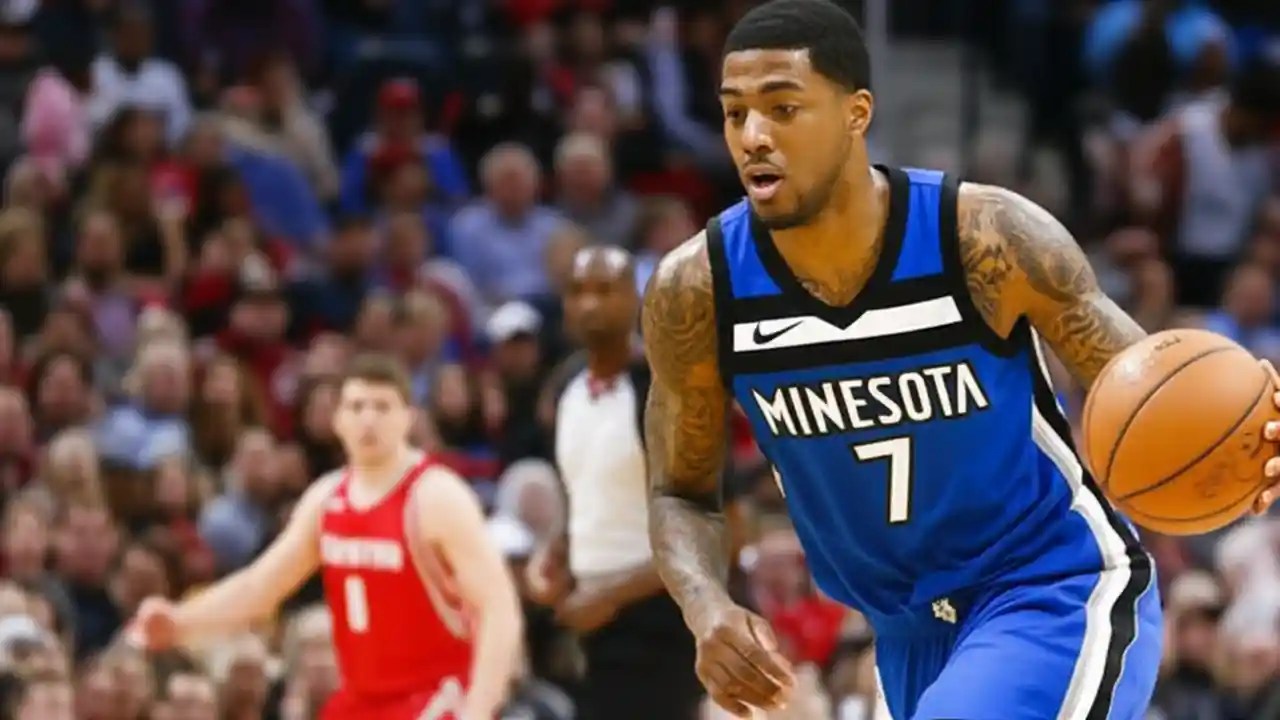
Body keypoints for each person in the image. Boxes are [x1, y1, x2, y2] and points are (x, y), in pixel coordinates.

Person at [640, 1, 1280, 719]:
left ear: (856, 114)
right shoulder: (698, 292)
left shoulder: (982, 239)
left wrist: (1234, 443)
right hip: (904, 637)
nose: (754, 136)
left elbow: (1146, 382)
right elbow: (679, 492)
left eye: (783, 108)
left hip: (1047, 590)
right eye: (734, 115)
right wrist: (706, 607)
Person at [130, 354, 523, 719]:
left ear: (407, 419)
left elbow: (499, 606)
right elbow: (260, 587)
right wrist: (181, 622)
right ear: (339, 421)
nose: (368, 420)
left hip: (435, 695)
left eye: (382, 407)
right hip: (361, 698)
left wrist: (480, 707)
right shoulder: (326, 499)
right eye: (357, 407)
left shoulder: (436, 496)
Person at [530, 246, 703, 719]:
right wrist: (558, 551)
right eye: (578, 291)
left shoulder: (666, 389)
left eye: (605, 291)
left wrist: (609, 595)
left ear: (637, 299)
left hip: (658, 625)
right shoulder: (565, 389)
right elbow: (588, 498)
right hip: (586, 618)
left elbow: (712, 528)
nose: (590, 304)